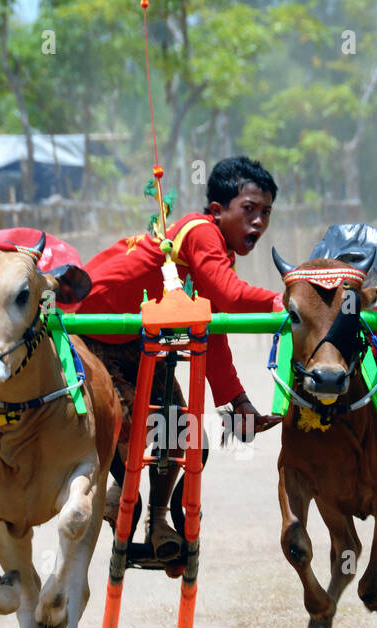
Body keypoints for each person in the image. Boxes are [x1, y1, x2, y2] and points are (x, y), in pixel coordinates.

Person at [77, 156, 283, 561]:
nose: (259, 222)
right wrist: (286, 299)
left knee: (183, 434)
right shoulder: (203, 233)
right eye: (249, 210)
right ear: (217, 211)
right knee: (129, 428)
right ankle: (119, 491)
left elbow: (212, 329)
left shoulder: (216, 249)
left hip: (134, 339)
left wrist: (237, 402)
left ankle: (156, 521)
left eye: (266, 213)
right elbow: (230, 297)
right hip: (90, 329)